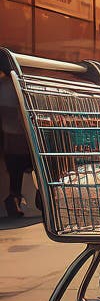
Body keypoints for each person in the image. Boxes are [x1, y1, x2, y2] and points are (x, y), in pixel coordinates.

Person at [0, 69, 34, 217]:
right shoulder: (15, 84)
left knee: (15, 171)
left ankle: (14, 197)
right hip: (21, 137)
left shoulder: (4, 85)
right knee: (33, 166)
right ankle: (17, 198)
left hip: (11, 138)